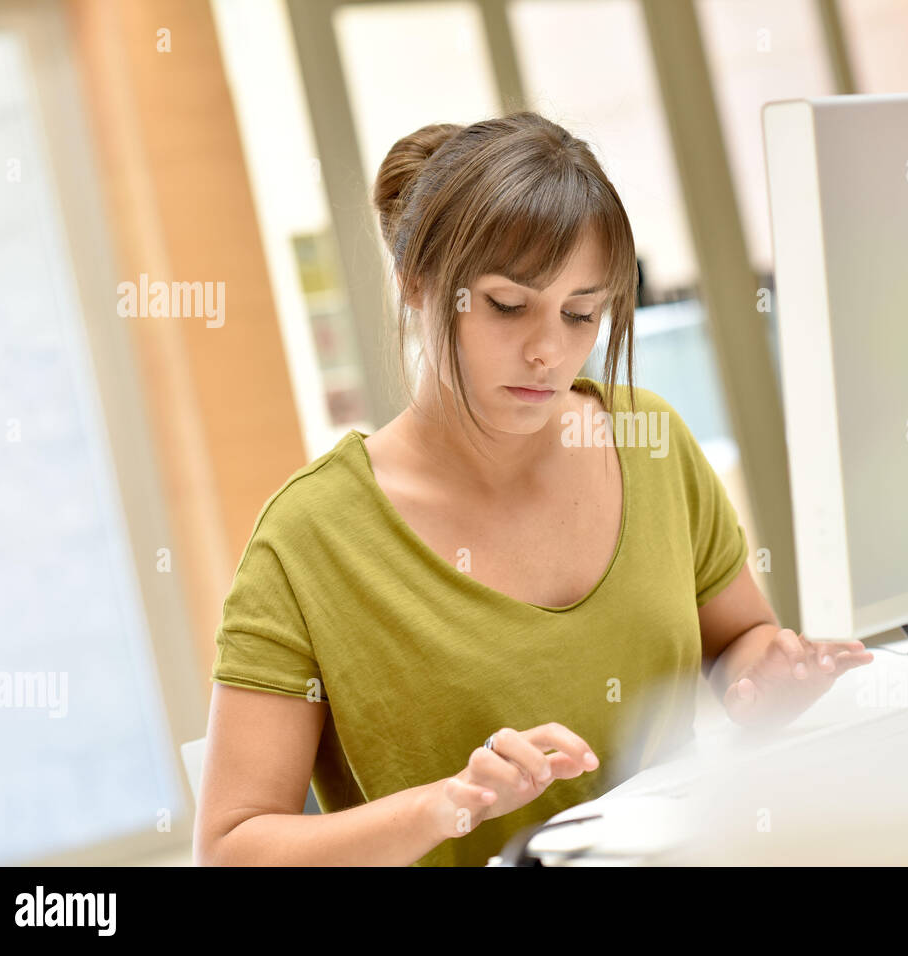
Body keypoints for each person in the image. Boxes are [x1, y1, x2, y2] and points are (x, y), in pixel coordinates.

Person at [192, 111, 872, 867]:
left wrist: (766, 677)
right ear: (418, 284)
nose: (549, 350)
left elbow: (739, 641)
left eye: (582, 313)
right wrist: (443, 805)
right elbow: (232, 849)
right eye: (508, 305)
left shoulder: (647, 441)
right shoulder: (310, 539)